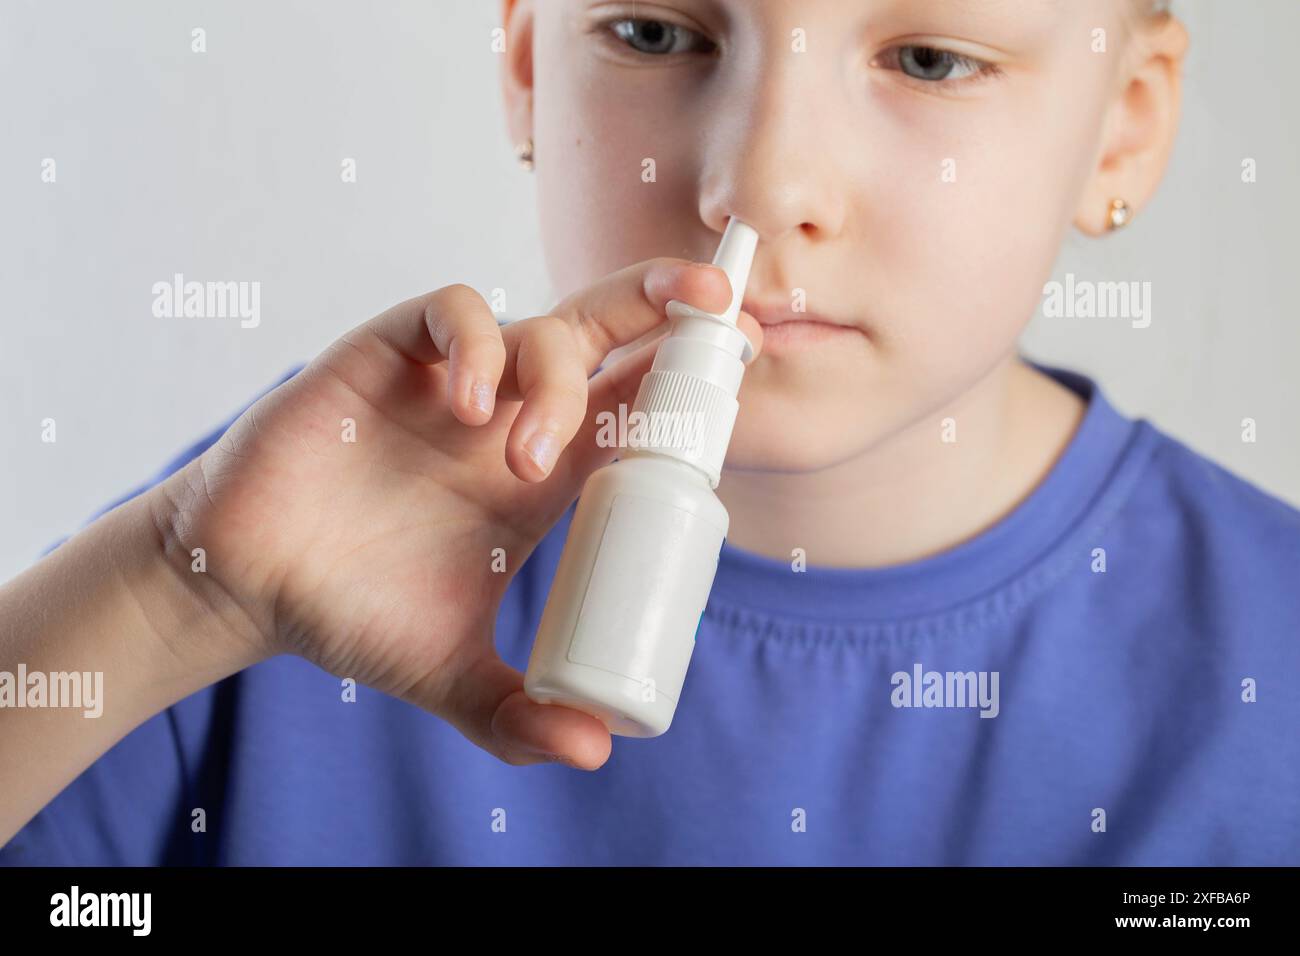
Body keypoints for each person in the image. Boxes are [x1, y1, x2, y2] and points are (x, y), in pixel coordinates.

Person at [2, 0, 1297, 865]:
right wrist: (173, 599)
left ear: (1124, 122)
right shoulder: (292, 544)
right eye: (656, 30)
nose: (760, 184)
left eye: (928, 59)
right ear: (524, 65)